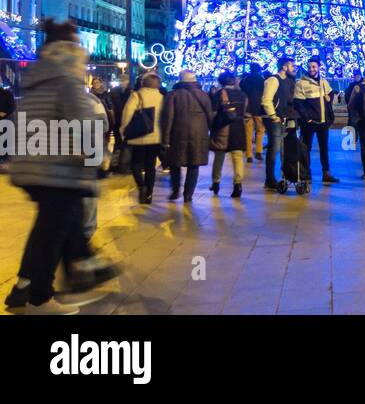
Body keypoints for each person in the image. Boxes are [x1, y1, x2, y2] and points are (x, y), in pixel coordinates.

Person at [5, 20, 120, 314]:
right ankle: (46, 295)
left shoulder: (35, 80)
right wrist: (101, 160)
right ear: (72, 51)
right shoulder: (67, 82)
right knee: (53, 233)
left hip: (32, 168)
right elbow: (83, 124)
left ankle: (37, 287)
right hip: (56, 170)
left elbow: (21, 124)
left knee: (55, 228)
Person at [160, 69, 214, 204]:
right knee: (194, 164)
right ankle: (188, 194)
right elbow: (210, 117)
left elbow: (168, 118)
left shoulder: (173, 95)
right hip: (199, 134)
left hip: (178, 133)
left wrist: (165, 139)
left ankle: (175, 190)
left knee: (174, 163)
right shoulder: (203, 95)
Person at [121, 70, 165, 203]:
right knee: (150, 166)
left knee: (136, 164)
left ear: (143, 83)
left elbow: (127, 114)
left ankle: (141, 187)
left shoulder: (136, 95)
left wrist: (123, 130)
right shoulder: (162, 97)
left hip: (138, 137)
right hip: (156, 138)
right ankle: (149, 194)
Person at [294, 56, 337, 184]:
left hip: (323, 122)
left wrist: (329, 97)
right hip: (309, 123)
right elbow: (298, 104)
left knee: (324, 148)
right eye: (309, 67)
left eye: (314, 66)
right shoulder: (301, 83)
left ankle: (326, 172)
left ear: (318, 67)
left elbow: (330, 93)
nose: (311, 69)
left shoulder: (323, 82)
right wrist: (307, 119)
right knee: (306, 148)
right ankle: (305, 173)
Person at [209, 72, 248, 197]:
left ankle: (216, 182)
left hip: (223, 129)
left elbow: (213, 112)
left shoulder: (220, 94)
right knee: (237, 157)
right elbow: (246, 111)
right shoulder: (242, 94)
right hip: (239, 128)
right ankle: (238, 185)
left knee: (219, 156)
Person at [260, 56, 297, 190]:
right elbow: (266, 99)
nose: (294, 68)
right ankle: (269, 179)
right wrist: (273, 115)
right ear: (284, 67)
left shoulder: (289, 81)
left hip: (285, 118)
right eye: (292, 66)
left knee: (283, 148)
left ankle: (285, 175)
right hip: (275, 119)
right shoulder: (273, 80)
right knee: (274, 148)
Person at [239, 62, 266, 163]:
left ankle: (249, 154)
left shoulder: (245, 80)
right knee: (260, 131)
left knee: (248, 133)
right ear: (259, 69)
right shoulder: (262, 80)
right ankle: (258, 151)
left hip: (248, 109)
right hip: (259, 109)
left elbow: (242, 91)